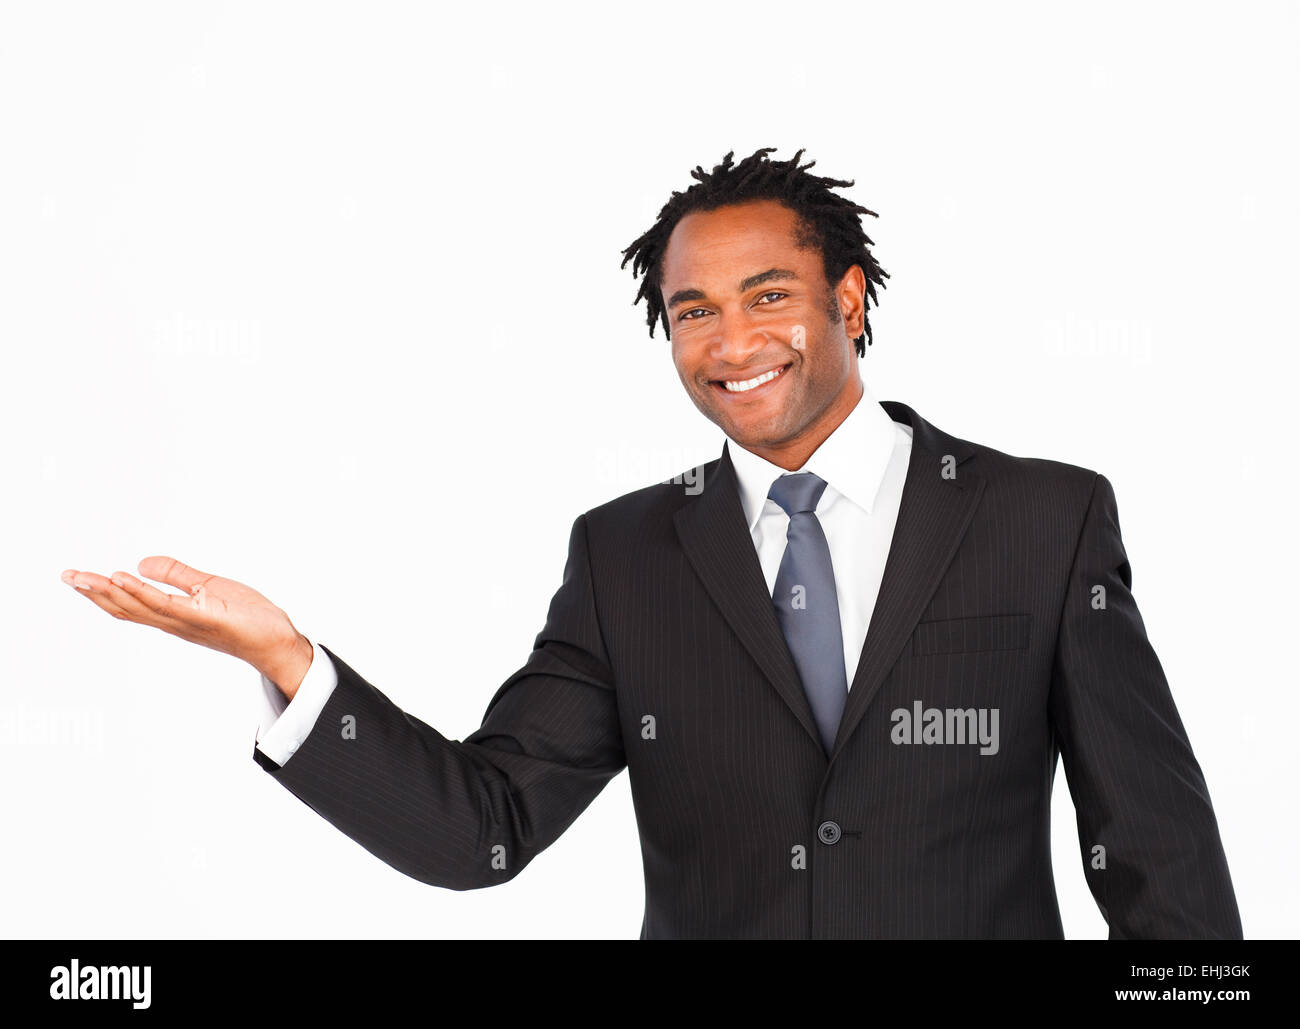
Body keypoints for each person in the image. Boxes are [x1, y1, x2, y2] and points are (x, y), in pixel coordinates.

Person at [61, 147, 1242, 939]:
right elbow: (484, 828)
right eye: (694, 312)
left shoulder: (1043, 517)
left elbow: (1154, 853)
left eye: (768, 296)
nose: (732, 342)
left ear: (849, 297)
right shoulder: (626, 556)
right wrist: (286, 659)